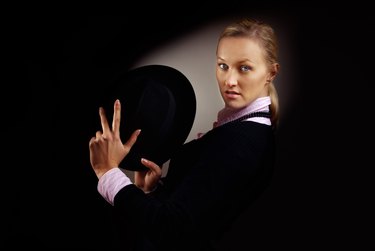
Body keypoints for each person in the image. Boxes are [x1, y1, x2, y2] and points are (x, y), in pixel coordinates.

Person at [89, 17, 280, 250]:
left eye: (244, 68)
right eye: (223, 66)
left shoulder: (240, 142)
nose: (230, 80)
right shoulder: (243, 131)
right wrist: (155, 191)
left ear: (271, 72)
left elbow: (171, 230)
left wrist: (108, 172)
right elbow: (199, 217)